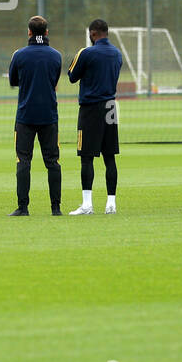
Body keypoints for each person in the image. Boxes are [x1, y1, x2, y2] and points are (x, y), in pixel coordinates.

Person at [6, 15, 62, 216]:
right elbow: (54, 79)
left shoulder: (19, 55)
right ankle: (56, 208)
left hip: (25, 116)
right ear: (46, 33)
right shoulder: (56, 56)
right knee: (53, 162)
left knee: (23, 161)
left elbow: (13, 80)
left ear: (29, 32)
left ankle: (23, 207)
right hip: (49, 116)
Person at [67, 18, 123, 215]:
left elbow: (72, 75)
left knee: (86, 157)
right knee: (110, 157)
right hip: (110, 107)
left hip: (90, 108)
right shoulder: (117, 53)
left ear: (92, 34)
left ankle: (87, 204)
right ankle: (111, 204)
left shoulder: (86, 52)